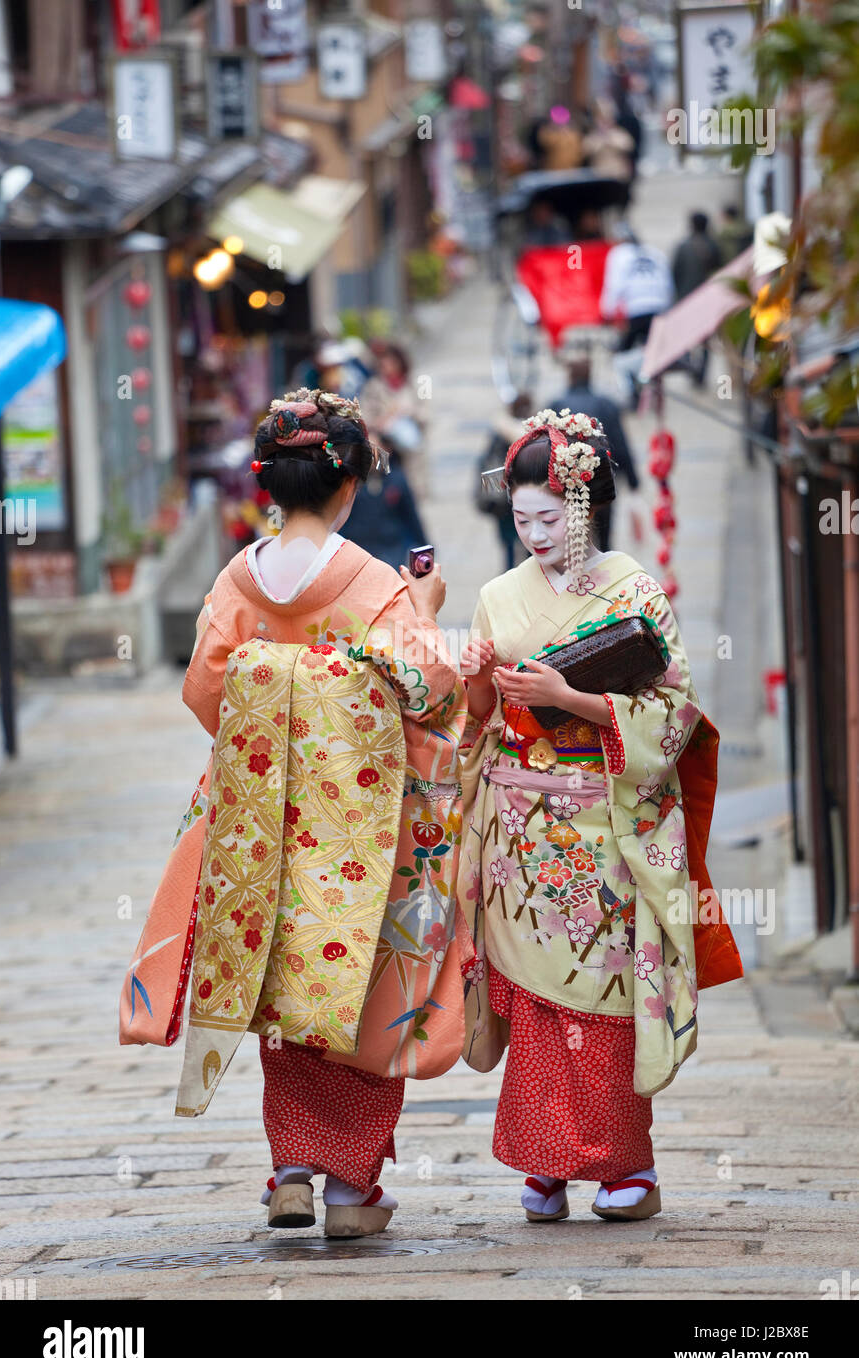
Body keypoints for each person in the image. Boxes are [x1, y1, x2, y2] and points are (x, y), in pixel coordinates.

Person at [131, 388, 470, 1239]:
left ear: (270, 487)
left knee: (279, 984)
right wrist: (423, 614)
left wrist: (273, 727)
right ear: (349, 483)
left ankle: (290, 1169)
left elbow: (207, 692)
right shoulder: (372, 584)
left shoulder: (236, 580)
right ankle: (353, 1190)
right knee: (360, 983)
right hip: (361, 829)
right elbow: (433, 690)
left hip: (260, 823)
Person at [457, 407, 741, 1225]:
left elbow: (674, 710)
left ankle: (625, 1167)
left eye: (548, 517)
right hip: (518, 825)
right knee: (538, 1005)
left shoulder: (634, 591)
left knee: (606, 994)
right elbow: (476, 719)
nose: (534, 534)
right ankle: (545, 1165)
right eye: (520, 520)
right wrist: (479, 676)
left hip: (608, 825)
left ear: (584, 507)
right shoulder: (497, 596)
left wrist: (569, 698)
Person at [549, 355, 640, 550]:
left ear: (570, 377)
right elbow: (620, 444)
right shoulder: (606, 405)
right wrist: (633, 480)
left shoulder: (556, 406)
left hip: (568, 484)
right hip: (601, 481)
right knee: (604, 540)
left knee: (571, 542)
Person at [600, 225, 673, 405]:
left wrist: (606, 311)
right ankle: (655, 389)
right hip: (659, 308)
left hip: (636, 309)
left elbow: (614, 285)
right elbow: (668, 284)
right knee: (653, 352)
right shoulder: (655, 253)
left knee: (622, 356)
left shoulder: (619, 254)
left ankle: (633, 394)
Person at [359, 343, 429, 499]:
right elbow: (365, 416)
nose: (387, 367)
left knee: (413, 445)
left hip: (410, 433)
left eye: (391, 363)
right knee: (376, 450)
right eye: (383, 364)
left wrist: (408, 412)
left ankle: (414, 490)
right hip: (383, 434)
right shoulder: (373, 387)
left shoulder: (418, 383)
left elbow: (426, 413)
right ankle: (383, 491)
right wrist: (383, 421)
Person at [474, 393, 532, 571]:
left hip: (502, 499)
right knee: (530, 544)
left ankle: (509, 576)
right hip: (526, 497)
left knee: (508, 545)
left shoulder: (498, 432)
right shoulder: (531, 434)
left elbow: (485, 462)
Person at [671, 212, 723, 385]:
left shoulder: (683, 246)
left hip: (686, 300)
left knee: (687, 338)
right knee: (705, 340)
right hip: (707, 300)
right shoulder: (713, 245)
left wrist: (676, 298)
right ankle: (702, 373)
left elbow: (675, 273)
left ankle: (691, 369)